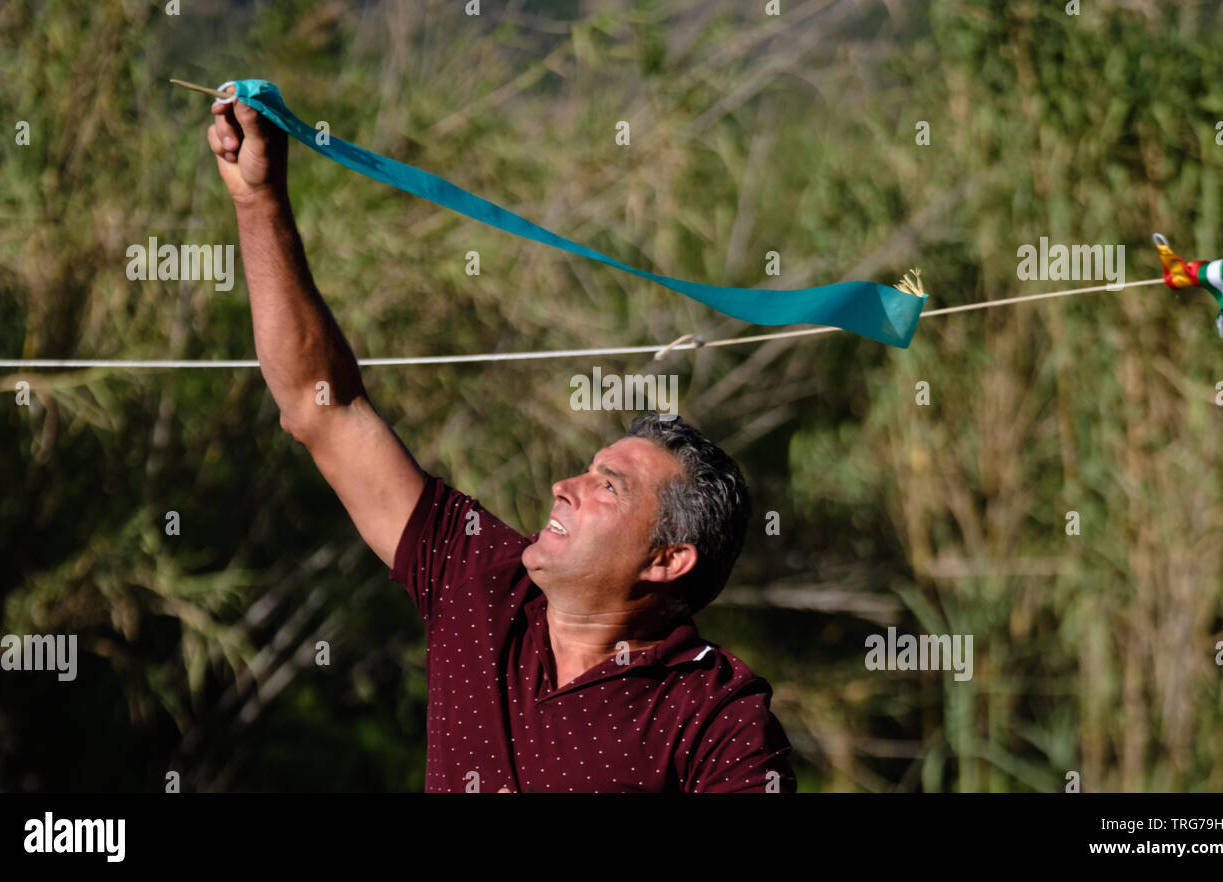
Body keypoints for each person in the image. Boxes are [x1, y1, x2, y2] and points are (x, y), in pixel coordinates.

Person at [205, 87, 796, 792]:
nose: (563, 487)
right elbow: (319, 408)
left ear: (668, 559)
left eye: (607, 486)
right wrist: (258, 201)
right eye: (587, 469)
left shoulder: (716, 718)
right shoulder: (479, 582)